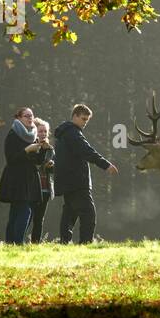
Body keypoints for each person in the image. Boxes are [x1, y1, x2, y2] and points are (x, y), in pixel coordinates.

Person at [53, 103, 117, 244]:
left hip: (66, 181)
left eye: (87, 120)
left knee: (69, 213)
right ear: (74, 116)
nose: (85, 123)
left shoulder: (63, 133)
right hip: (77, 181)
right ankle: (86, 243)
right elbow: (87, 151)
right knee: (88, 213)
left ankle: (64, 241)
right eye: (83, 119)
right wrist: (105, 165)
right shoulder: (73, 133)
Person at [0, 107, 49, 244]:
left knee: (16, 212)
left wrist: (43, 150)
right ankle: (18, 243)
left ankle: (10, 243)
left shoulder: (33, 135)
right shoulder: (13, 134)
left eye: (31, 115)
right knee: (25, 211)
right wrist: (26, 150)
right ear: (18, 118)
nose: (30, 118)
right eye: (26, 116)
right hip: (16, 178)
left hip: (29, 179)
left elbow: (37, 161)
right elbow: (11, 158)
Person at [29, 119, 55, 243]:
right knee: (28, 217)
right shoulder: (31, 147)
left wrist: (52, 166)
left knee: (39, 219)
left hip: (45, 189)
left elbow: (55, 170)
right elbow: (33, 165)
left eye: (45, 131)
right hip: (32, 188)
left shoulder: (50, 149)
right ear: (35, 131)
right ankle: (18, 242)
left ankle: (35, 244)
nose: (43, 133)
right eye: (40, 131)